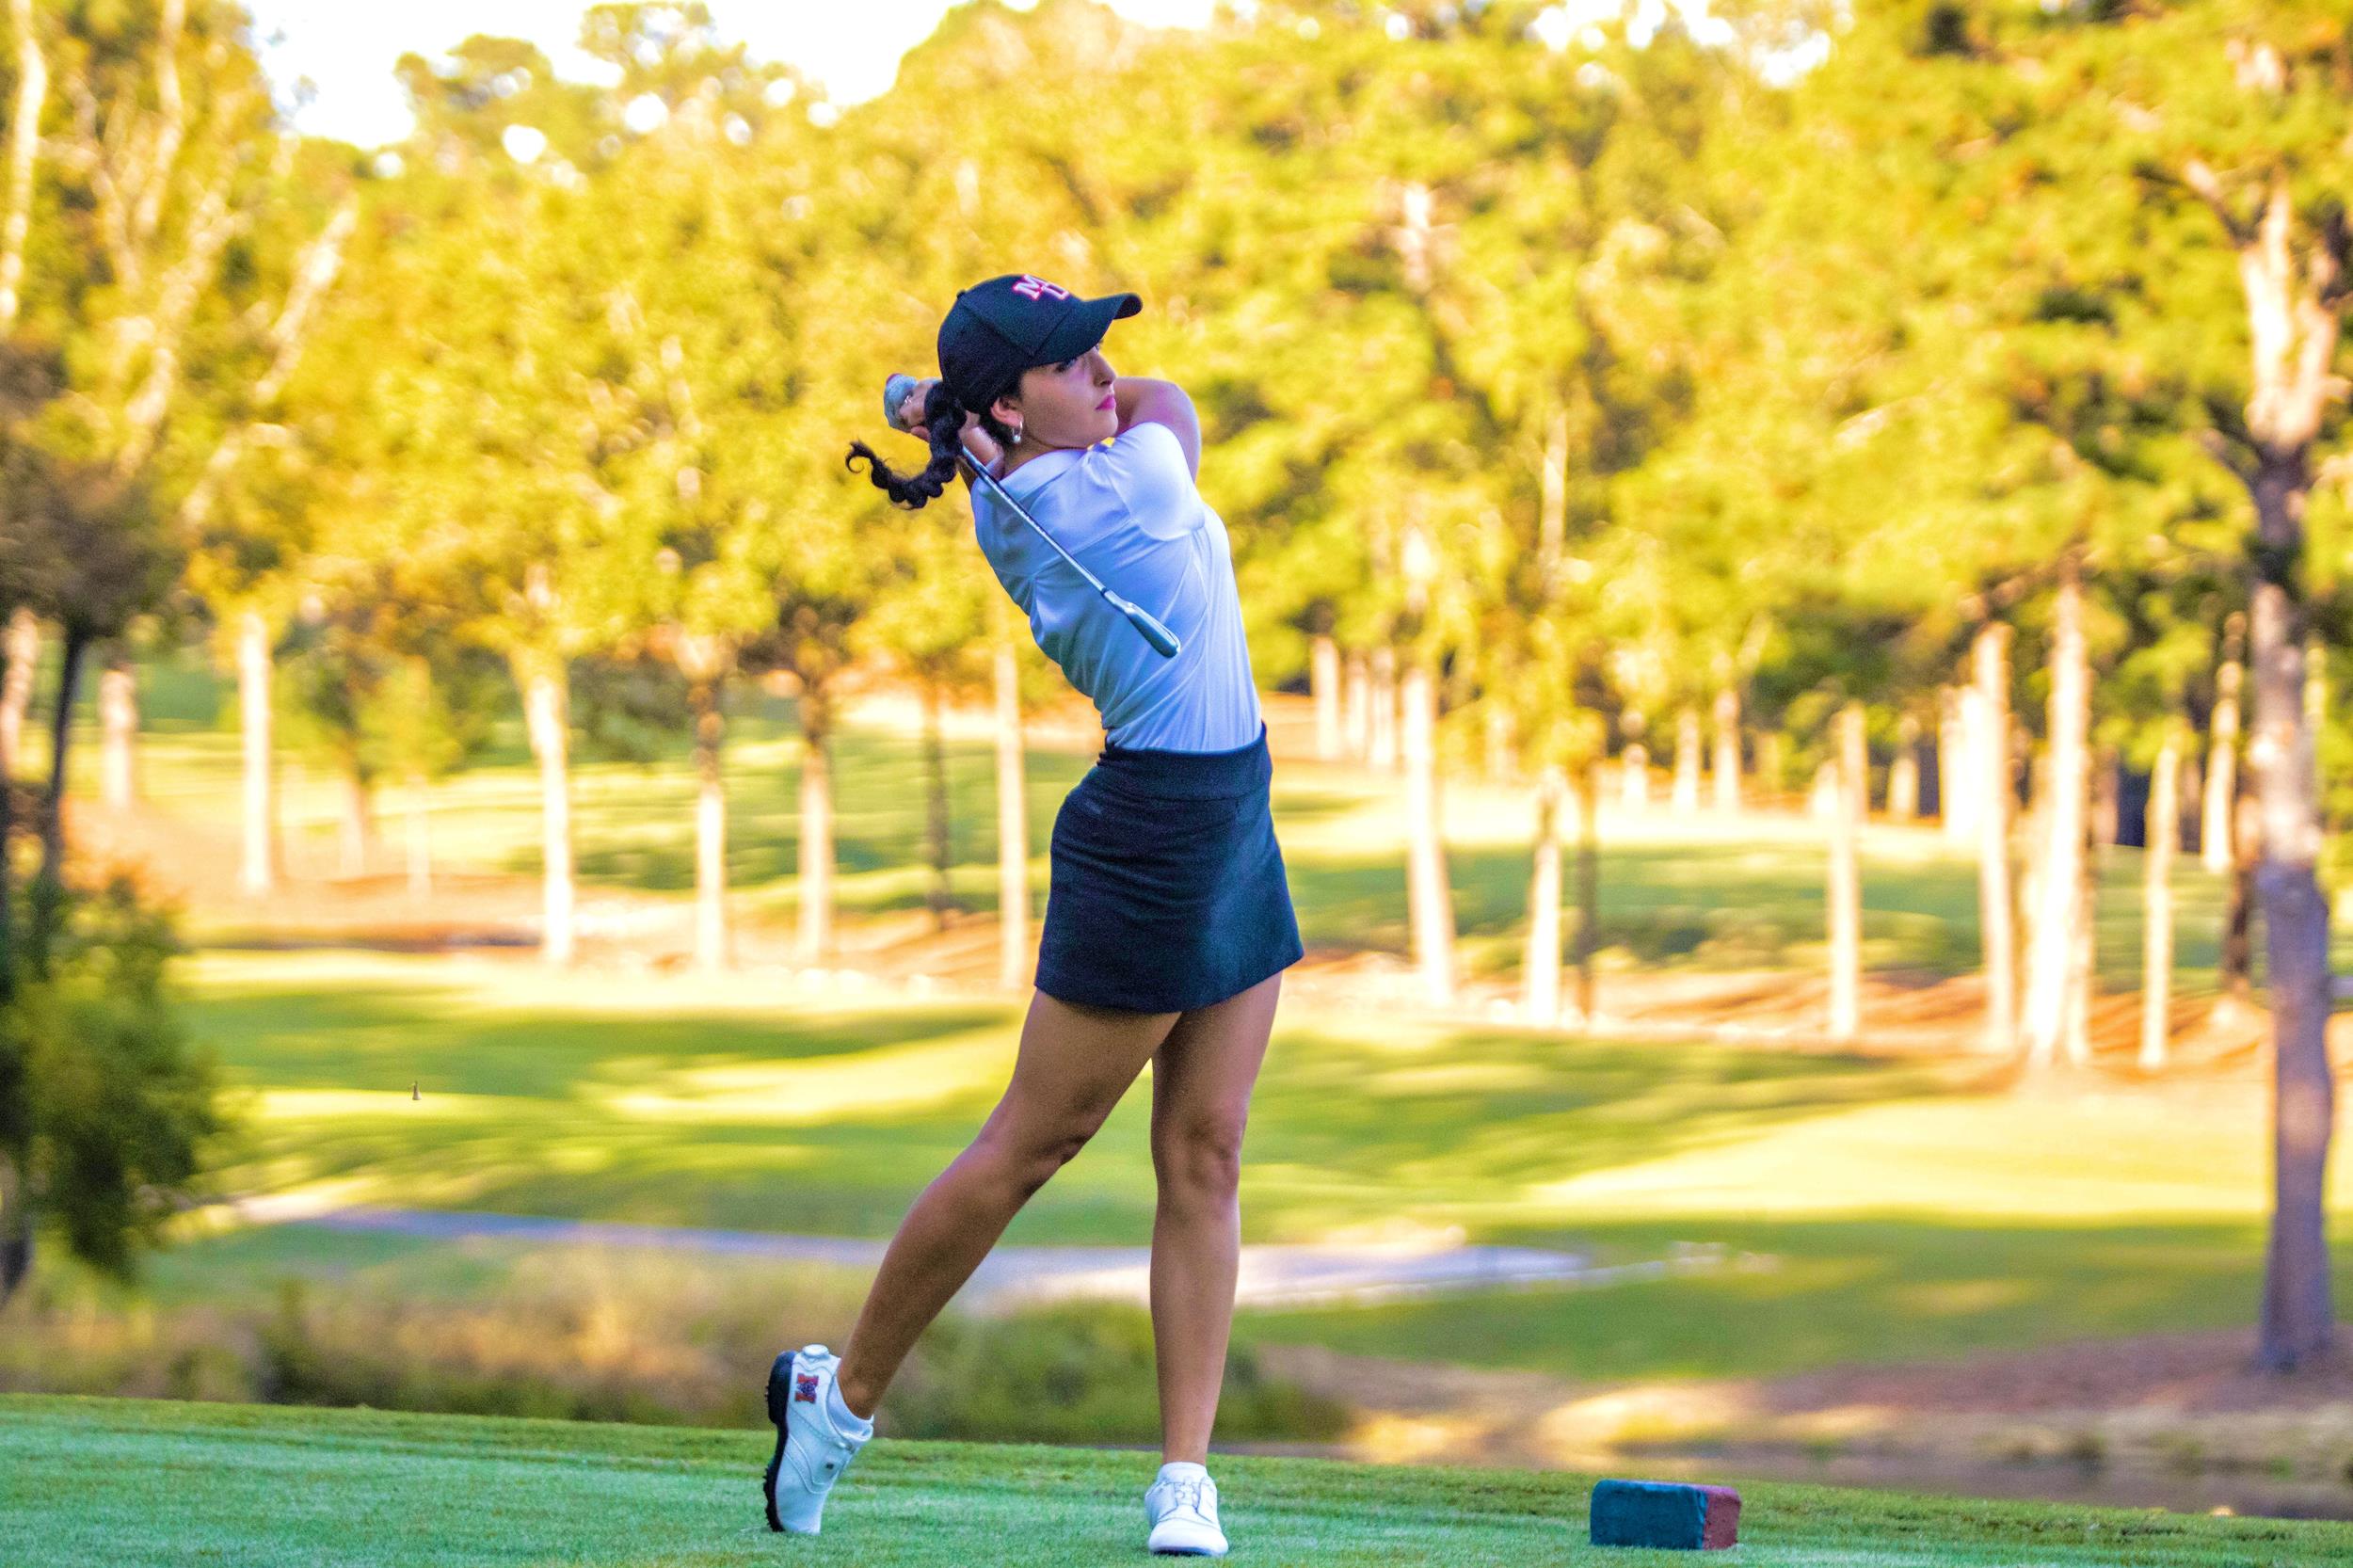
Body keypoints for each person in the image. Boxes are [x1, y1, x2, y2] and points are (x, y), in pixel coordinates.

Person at [772, 274, 1304, 1558]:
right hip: (1153, 836)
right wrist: (947, 413)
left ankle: (1185, 1479)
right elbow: (1176, 401)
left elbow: (1112, 401)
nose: (1110, 376)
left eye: (1097, 352)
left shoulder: (1032, 470)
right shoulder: (1116, 494)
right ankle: (834, 1404)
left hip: (1231, 808)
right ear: (1014, 401)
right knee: (1031, 1146)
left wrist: (947, 413)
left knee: (1209, 1150)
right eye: (1077, 364)